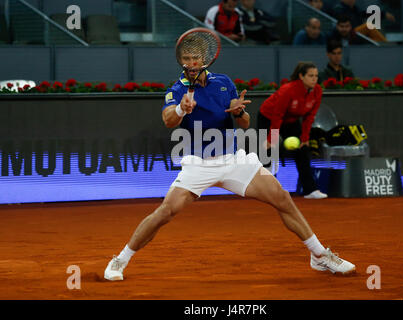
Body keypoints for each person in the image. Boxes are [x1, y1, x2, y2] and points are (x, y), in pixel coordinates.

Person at [104, 33, 356, 281]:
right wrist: (183, 108)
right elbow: (169, 120)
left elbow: (244, 123)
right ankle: (121, 259)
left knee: (282, 198)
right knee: (165, 213)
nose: (191, 62)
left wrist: (239, 112)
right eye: (186, 58)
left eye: (195, 57)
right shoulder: (177, 89)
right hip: (199, 164)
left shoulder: (224, 82)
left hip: (234, 160)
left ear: (204, 60)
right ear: (181, 61)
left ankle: (319, 255)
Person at [258, 62, 329, 200]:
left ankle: (310, 190)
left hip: (291, 120)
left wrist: (305, 137)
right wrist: (271, 139)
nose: (314, 79)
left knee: (303, 150)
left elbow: (310, 117)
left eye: (316, 76)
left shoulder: (317, 91)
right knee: (268, 151)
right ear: (301, 76)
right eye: (311, 76)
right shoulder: (288, 90)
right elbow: (277, 115)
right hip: (268, 116)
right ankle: (263, 190)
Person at [332, 0, 396, 42]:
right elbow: (343, 23)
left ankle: (381, 45)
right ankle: (386, 45)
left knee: (372, 31)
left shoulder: (355, 9)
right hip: (346, 34)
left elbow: (365, 13)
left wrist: (383, 14)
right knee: (368, 26)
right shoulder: (339, 8)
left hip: (357, 34)